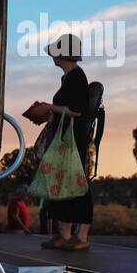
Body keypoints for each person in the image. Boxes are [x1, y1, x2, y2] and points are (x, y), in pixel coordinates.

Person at [30, 34, 95, 251]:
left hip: (71, 139)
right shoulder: (69, 78)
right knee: (61, 183)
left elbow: (76, 110)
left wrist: (49, 107)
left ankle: (82, 235)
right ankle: (65, 234)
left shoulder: (76, 78)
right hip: (64, 138)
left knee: (77, 184)